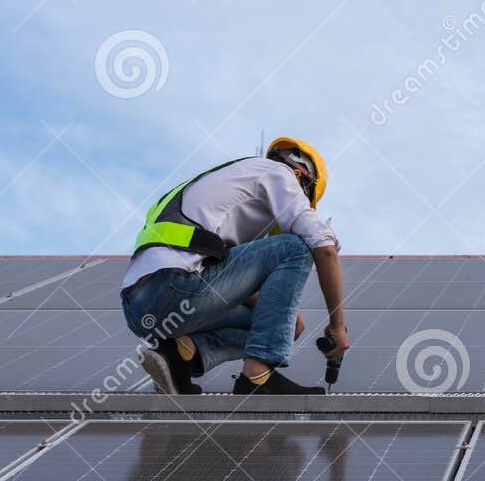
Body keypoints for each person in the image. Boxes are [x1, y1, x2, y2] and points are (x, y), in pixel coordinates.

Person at [119, 137, 349, 396]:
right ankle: (257, 377)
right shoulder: (278, 173)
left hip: (141, 308)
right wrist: (337, 326)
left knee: (283, 325)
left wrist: (281, 320)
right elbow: (324, 248)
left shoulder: (227, 188)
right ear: (301, 174)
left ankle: (180, 354)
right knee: (298, 246)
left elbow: (222, 279)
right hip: (175, 289)